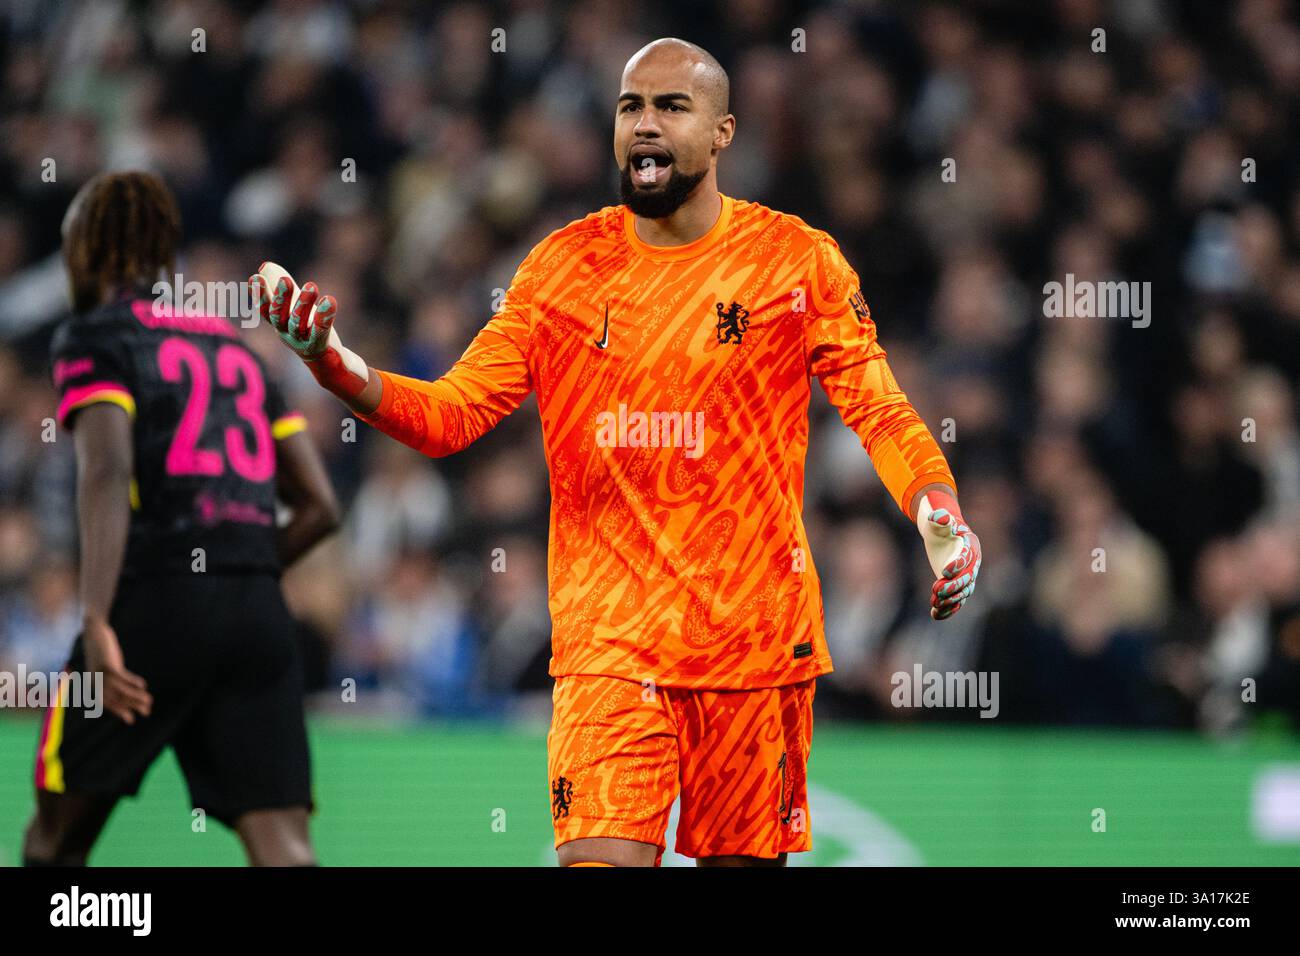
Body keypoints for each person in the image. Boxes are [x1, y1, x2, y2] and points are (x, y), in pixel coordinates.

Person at [254, 38, 981, 867]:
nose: (645, 124)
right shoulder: (563, 267)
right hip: (609, 646)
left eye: (672, 107)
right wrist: (333, 364)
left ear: (722, 133)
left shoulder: (795, 262)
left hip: (751, 642)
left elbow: (878, 409)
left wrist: (936, 504)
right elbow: (451, 415)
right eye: (631, 106)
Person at [23, 171, 340, 866]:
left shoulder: (93, 337)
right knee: (284, 847)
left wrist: (98, 619)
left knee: (53, 840)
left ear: (87, 250)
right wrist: (243, 572)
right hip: (258, 611)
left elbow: (107, 473)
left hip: (149, 603)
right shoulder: (238, 350)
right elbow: (321, 507)